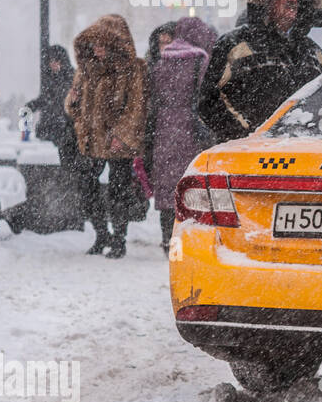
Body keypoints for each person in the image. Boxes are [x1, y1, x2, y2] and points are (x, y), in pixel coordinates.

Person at [199, 0, 322, 143]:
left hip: (299, 156)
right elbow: (208, 101)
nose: (291, 9)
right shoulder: (234, 45)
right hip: (244, 156)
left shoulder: (315, 54)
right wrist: (245, 135)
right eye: (286, 0)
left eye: (297, 1)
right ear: (267, 0)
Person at [65, 14, 147, 258]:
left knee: (118, 190)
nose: (98, 50)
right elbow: (72, 108)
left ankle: (119, 240)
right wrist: (74, 101)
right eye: (95, 45)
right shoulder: (87, 69)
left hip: (117, 141)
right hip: (91, 139)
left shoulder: (133, 69)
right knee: (87, 188)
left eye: (103, 45)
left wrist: (121, 135)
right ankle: (102, 235)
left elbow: (136, 107)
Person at [147, 16, 218, 251]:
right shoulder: (201, 61)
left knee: (167, 190)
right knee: (190, 187)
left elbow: (151, 99)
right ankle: (190, 240)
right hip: (190, 129)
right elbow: (207, 96)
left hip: (164, 131)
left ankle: (169, 240)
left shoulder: (161, 62)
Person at [27, 44, 77, 164]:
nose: (53, 64)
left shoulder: (71, 77)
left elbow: (61, 100)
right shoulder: (50, 78)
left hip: (64, 127)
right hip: (50, 127)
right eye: (51, 61)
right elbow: (45, 99)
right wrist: (30, 107)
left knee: (63, 161)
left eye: (56, 60)